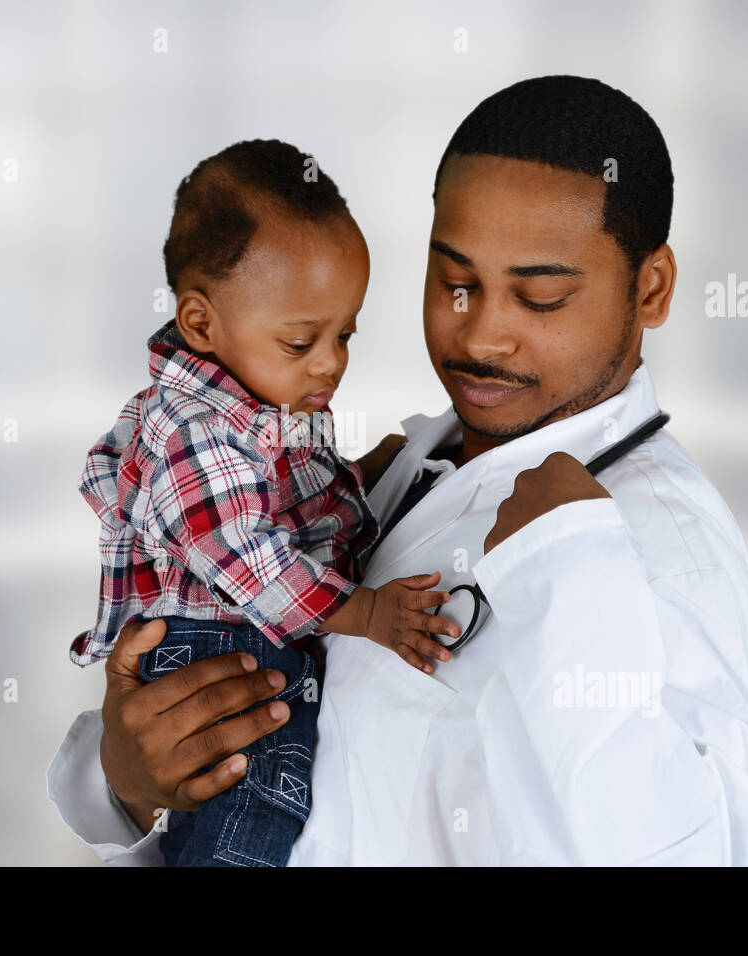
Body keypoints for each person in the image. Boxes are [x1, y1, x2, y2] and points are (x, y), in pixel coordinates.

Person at [49, 76, 748, 865]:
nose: (484, 336)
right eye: (455, 283)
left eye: (538, 298)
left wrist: (575, 561)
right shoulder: (399, 469)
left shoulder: (661, 547)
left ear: (652, 288)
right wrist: (119, 786)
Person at [69, 139, 458, 866]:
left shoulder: (262, 401)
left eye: (345, 334)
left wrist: (363, 474)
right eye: (302, 339)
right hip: (227, 652)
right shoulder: (198, 430)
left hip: (248, 644)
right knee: (252, 820)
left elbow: (289, 497)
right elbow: (254, 562)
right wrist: (369, 613)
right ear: (200, 323)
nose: (331, 361)